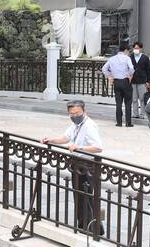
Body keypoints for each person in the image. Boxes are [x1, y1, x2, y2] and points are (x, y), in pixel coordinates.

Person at [41, 100, 104, 234]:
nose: (75, 116)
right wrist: (50, 140)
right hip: (77, 165)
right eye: (72, 114)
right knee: (80, 196)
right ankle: (85, 225)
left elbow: (98, 147)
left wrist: (79, 148)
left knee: (86, 196)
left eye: (77, 113)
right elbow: (65, 138)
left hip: (87, 165)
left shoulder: (89, 126)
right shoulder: (75, 125)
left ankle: (93, 227)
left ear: (84, 112)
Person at [101, 45, 135, 127]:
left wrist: (110, 76)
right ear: (126, 50)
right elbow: (131, 68)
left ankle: (119, 122)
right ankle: (128, 122)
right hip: (125, 81)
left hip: (116, 82)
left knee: (118, 103)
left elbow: (104, 69)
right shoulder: (127, 58)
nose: (129, 53)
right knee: (128, 102)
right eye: (128, 51)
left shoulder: (112, 58)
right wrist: (130, 75)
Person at [130, 42, 150, 120]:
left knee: (142, 98)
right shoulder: (130, 57)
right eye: (134, 48)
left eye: (137, 48)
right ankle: (135, 113)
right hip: (133, 80)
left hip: (142, 80)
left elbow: (148, 70)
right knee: (134, 98)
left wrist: (148, 81)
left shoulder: (145, 58)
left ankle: (143, 113)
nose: (136, 50)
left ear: (141, 49)